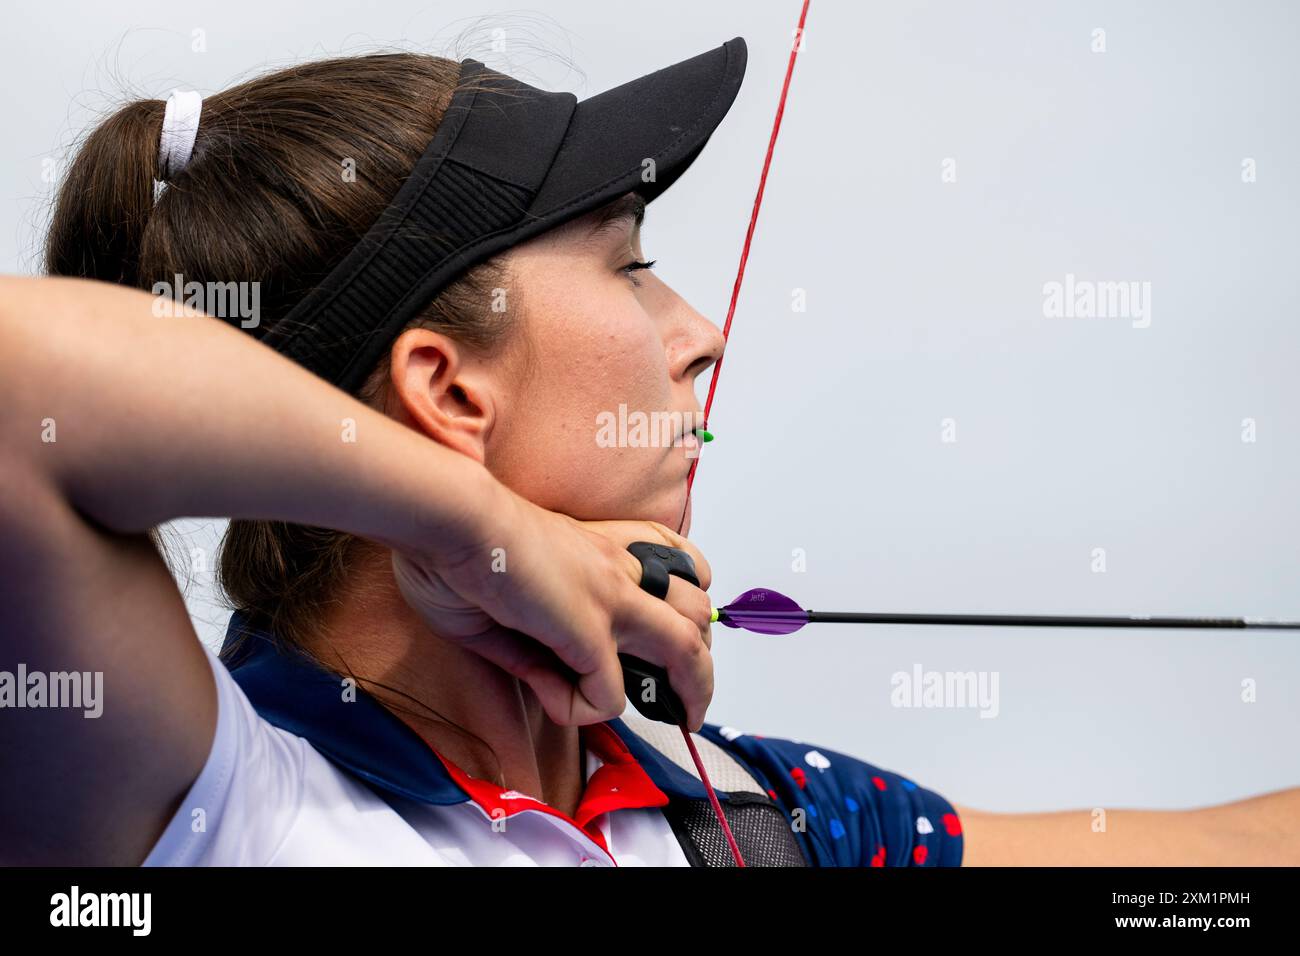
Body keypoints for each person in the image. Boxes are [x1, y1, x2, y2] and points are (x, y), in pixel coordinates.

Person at [1, 37, 1294, 867]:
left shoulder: (753, 818)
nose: (704, 334)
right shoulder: (218, 797)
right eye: (632, 265)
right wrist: (477, 531)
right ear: (447, 391)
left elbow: (1230, 851)